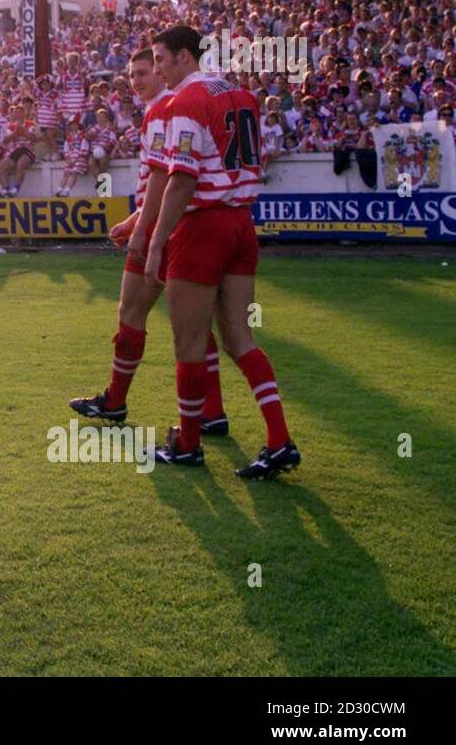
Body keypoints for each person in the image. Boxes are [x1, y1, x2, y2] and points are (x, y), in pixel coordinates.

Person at [136, 26, 300, 478]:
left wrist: (154, 240)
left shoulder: (186, 102)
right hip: (241, 224)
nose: (159, 69)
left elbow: (182, 177)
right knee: (239, 339)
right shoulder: (242, 95)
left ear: (184, 57)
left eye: (161, 58)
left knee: (188, 342)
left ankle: (188, 443)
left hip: (203, 225)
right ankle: (278, 438)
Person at [69, 48, 228, 431]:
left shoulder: (163, 110)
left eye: (145, 71)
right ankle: (212, 412)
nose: (138, 80)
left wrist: (142, 230)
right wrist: (135, 218)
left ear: (162, 71)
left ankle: (116, 401)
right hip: (179, 225)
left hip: (164, 228)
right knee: (195, 324)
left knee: (130, 313)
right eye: (132, 75)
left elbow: (162, 177)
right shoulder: (175, 107)